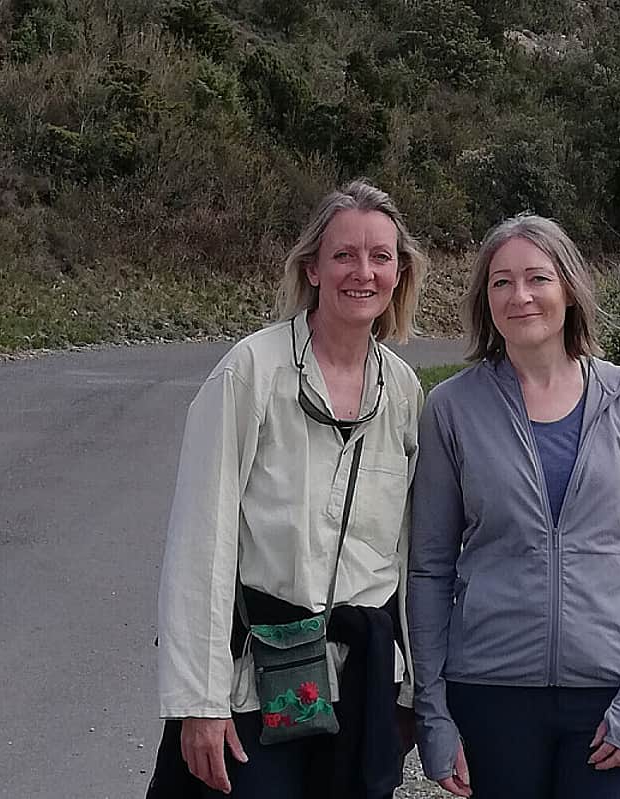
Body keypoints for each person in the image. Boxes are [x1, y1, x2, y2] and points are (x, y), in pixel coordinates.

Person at [146, 180, 427, 799]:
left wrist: (412, 689)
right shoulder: (250, 372)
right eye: (344, 255)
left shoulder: (403, 391)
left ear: (399, 273)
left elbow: (409, 558)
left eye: (380, 256)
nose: (363, 272)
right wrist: (199, 700)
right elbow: (203, 542)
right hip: (258, 680)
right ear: (314, 269)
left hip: (360, 687)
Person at [407, 214, 620, 799]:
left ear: (570, 290)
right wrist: (433, 712)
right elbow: (428, 568)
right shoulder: (452, 409)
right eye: (501, 282)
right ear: (485, 299)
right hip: (490, 697)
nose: (520, 295)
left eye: (538, 278)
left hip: (608, 701)